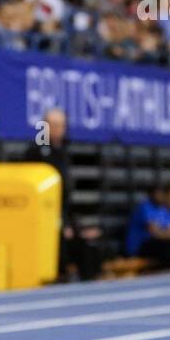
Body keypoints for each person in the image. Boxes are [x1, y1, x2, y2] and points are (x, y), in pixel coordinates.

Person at [23, 108, 104, 281]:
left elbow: (65, 192)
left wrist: (70, 223)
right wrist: (62, 222)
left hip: (63, 211)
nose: (60, 129)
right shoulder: (39, 149)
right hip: (44, 213)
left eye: (61, 125)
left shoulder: (62, 149)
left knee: (90, 242)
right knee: (65, 244)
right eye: (54, 125)